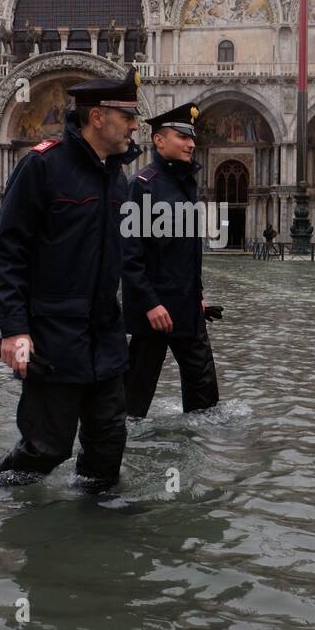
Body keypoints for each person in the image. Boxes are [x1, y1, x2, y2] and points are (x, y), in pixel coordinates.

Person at [0, 67, 141, 491]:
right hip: (53, 336)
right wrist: (14, 330)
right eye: (128, 116)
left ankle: (97, 528)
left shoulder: (117, 177)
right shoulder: (41, 166)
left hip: (105, 336)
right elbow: (6, 251)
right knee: (46, 448)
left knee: (107, 447)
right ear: (97, 117)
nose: (134, 125)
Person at [122, 101, 221, 419]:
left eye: (192, 138)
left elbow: (187, 251)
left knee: (205, 397)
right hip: (154, 312)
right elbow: (130, 254)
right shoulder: (141, 186)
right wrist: (150, 303)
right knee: (134, 398)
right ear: (159, 140)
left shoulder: (186, 183)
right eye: (182, 136)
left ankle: (200, 455)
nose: (191, 143)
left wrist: (199, 295)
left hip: (187, 307)